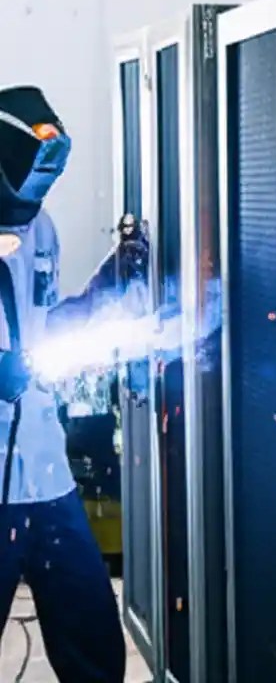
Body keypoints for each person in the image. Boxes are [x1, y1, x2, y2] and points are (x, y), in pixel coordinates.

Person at [0, 85, 147, 682]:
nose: (23, 219)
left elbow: (43, 321)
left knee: (94, 643)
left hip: (46, 477)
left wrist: (104, 289)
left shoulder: (42, 229)